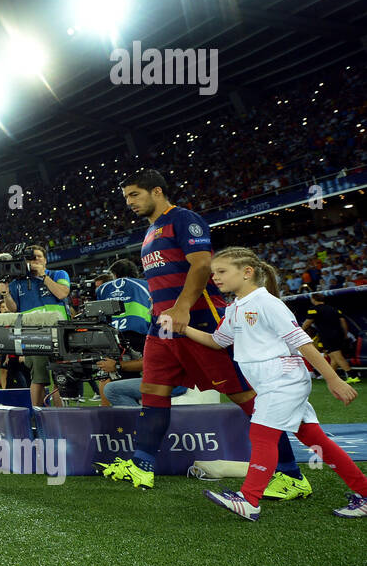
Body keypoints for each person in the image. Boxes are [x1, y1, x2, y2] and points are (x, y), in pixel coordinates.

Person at [96, 170, 308, 498]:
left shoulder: (183, 219)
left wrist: (181, 309)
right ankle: (142, 465)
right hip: (162, 328)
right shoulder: (151, 232)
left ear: (156, 191)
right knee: (153, 394)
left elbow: (201, 264)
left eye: (135, 195)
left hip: (201, 325)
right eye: (126, 198)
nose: (130, 203)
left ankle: (290, 474)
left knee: (246, 398)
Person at [172, 247, 366, 519]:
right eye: (214, 272)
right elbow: (218, 342)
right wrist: (184, 328)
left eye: (222, 271)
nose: (215, 277)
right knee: (316, 440)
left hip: (282, 381)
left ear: (247, 272)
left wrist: (333, 379)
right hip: (274, 383)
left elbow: (302, 342)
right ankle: (365, 494)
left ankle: (249, 500)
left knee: (261, 435)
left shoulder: (267, 303)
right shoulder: (235, 307)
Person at [0, 244, 71, 408]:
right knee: (38, 377)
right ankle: (36, 416)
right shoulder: (18, 282)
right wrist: (6, 294)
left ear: (45, 259)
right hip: (34, 333)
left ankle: (62, 416)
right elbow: (13, 308)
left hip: (60, 330)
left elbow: (62, 293)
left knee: (61, 377)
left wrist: (43, 276)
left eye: (37, 257)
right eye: (30, 258)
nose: (34, 260)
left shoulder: (58, 274)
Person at [302, 292, 359, 383]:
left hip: (327, 336)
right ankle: (330, 376)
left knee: (337, 356)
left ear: (313, 299)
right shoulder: (334, 309)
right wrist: (344, 334)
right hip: (339, 335)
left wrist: (300, 330)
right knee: (333, 357)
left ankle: (352, 376)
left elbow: (307, 323)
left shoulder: (314, 310)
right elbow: (343, 321)